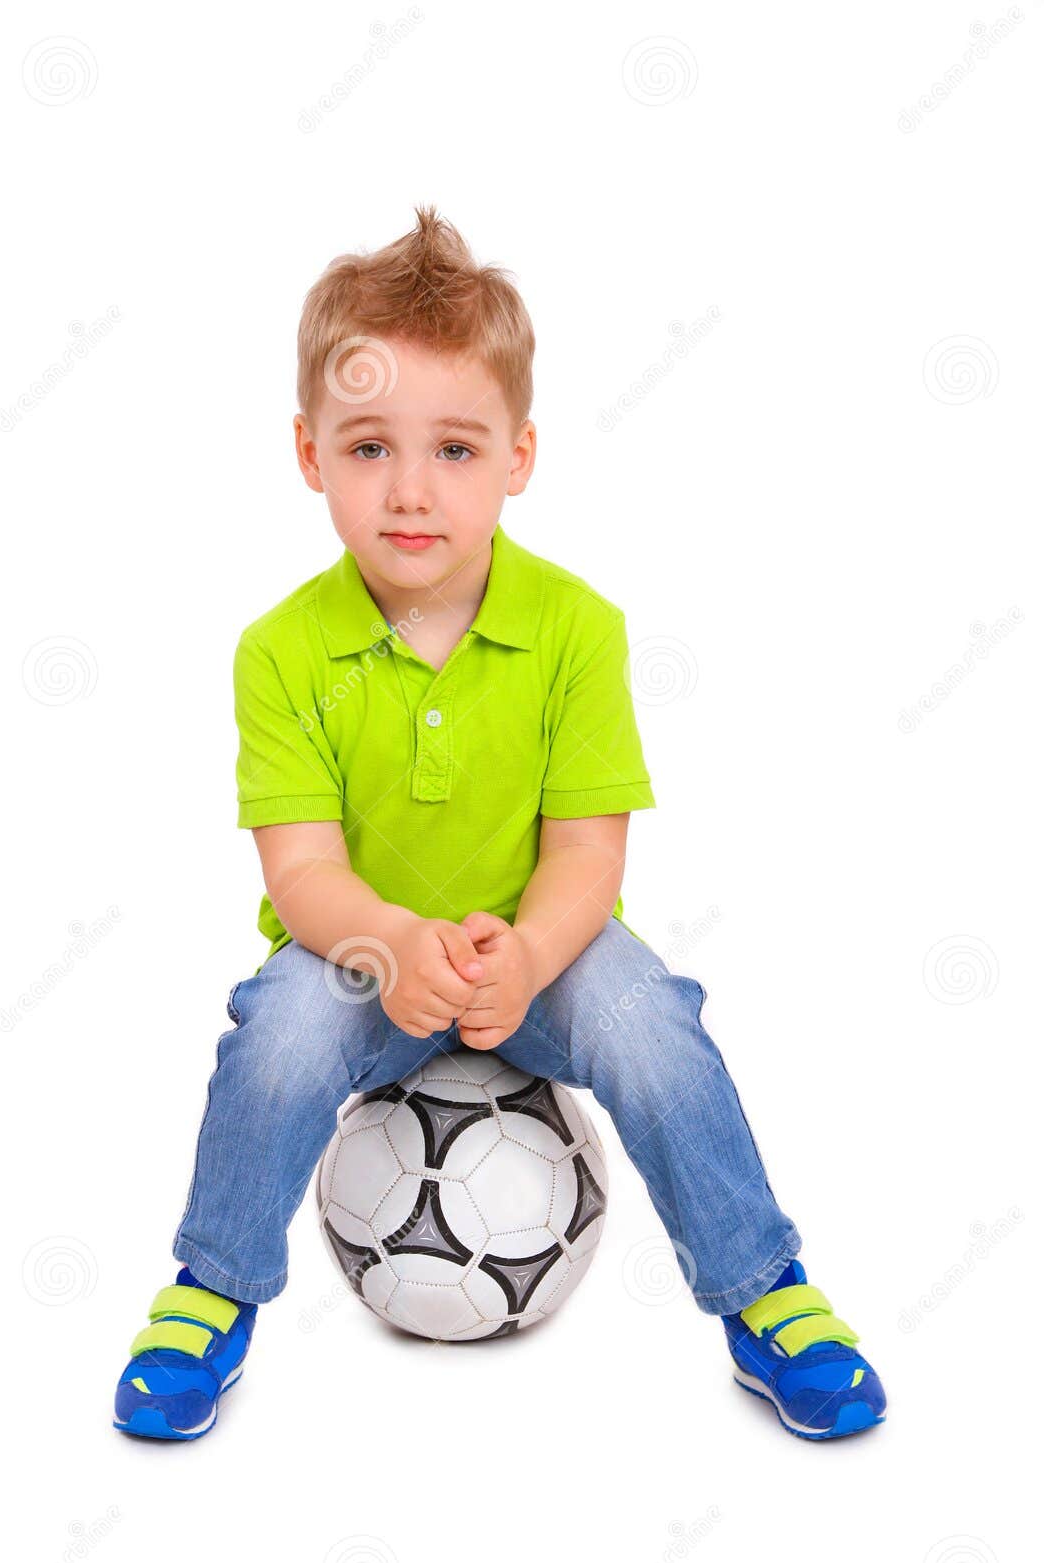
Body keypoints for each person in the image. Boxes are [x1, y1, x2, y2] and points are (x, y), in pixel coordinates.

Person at [114, 206, 886, 1444]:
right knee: (272, 1039)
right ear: (308, 454)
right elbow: (302, 868)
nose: (410, 490)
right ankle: (210, 1287)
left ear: (520, 455)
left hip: (544, 951)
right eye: (368, 448)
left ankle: (764, 1289)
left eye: (455, 451)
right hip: (357, 956)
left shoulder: (576, 628)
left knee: (655, 1027)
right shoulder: (280, 650)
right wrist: (388, 944)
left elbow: (588, 853)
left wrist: (524, 957)